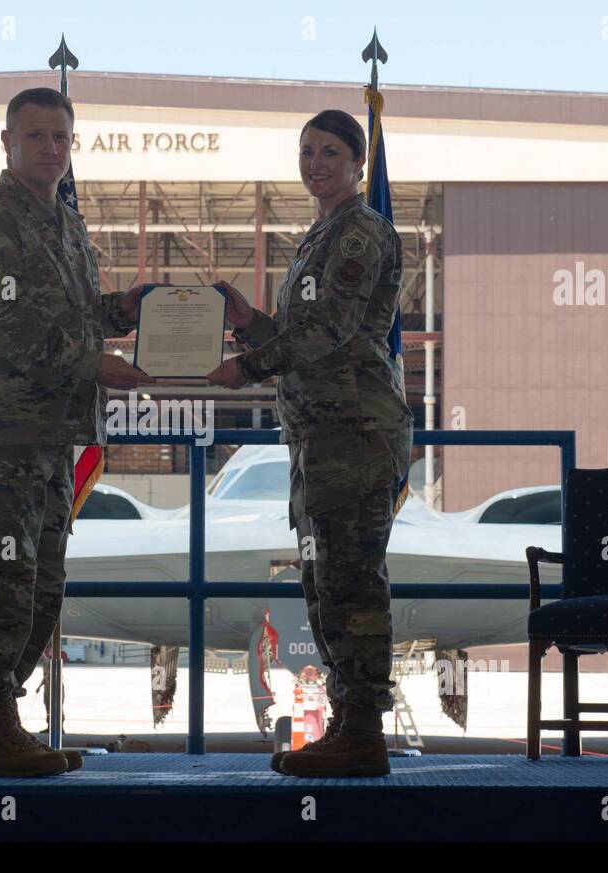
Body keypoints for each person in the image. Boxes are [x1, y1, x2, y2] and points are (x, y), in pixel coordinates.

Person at [0, 86, 154, 777]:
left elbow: (76, 313)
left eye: (61, 137)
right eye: (36, 136)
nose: (51, 148)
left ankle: (6, 719)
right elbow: (5, 327)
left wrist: (128, 308)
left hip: (48, 439)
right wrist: (95, 360)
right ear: (6, 143)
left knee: (41, 584)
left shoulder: (63, 224)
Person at [208, 109, 413, 778]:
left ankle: (363, 730)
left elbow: (326, 335)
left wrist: (247, 365)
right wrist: (251, 325)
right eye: (307, 151)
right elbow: (310, 339)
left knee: (353, 580)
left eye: (330, 151)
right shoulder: (319, 236)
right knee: (325, 582)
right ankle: (351, 723)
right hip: (318, 436)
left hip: (354, 431)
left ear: (358, 163)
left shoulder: (360, 233)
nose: (316, 162)